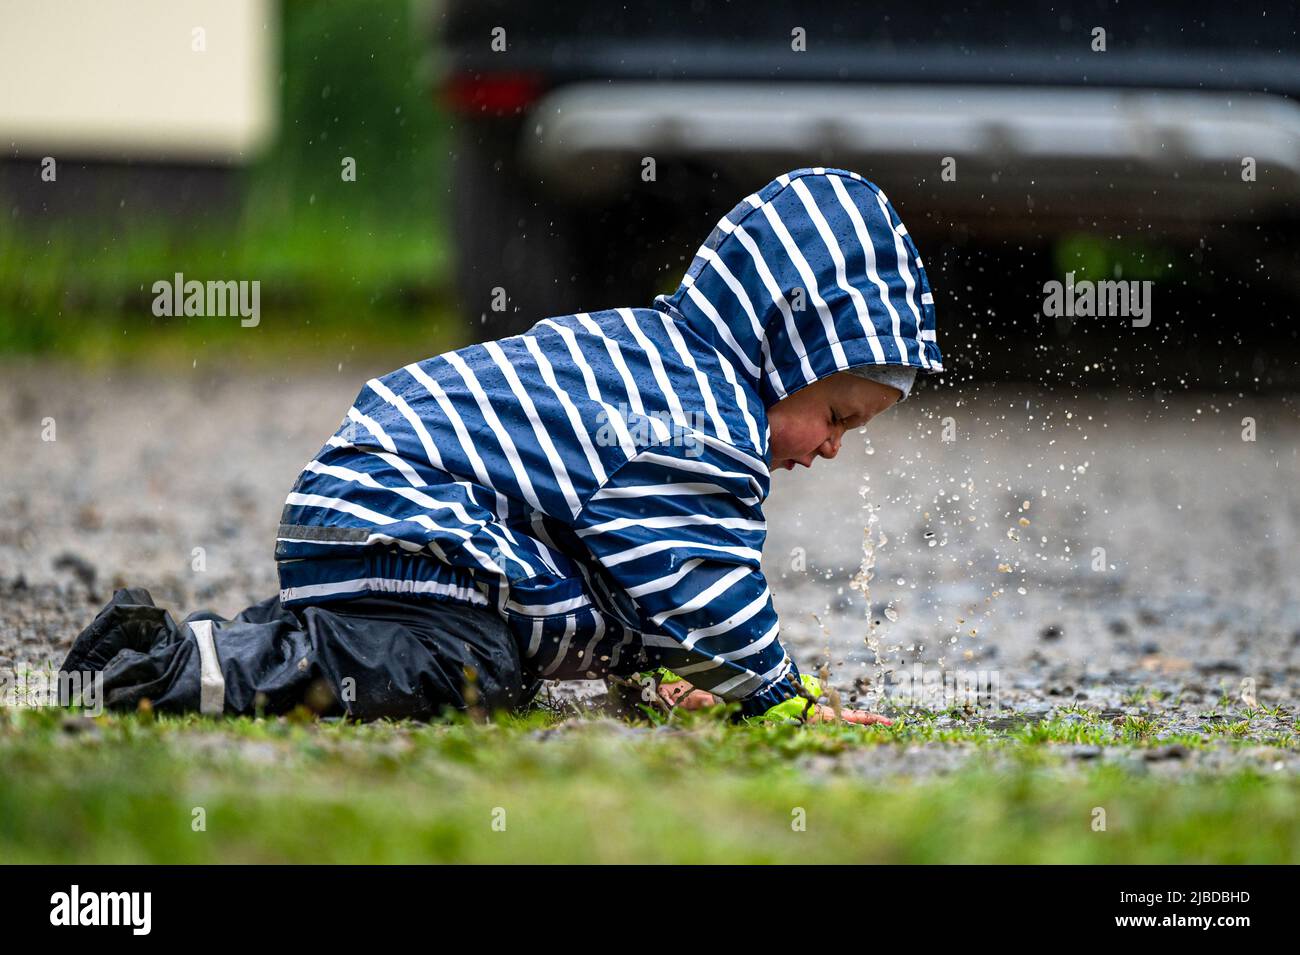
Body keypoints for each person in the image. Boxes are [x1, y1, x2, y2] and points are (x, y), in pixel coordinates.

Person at [61, 167, 943, 725]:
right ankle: (174, 670)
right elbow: (697, 587)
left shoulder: (662, 363)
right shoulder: (704, 421)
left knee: (441, 642)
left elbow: (617, 565)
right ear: (786, 344)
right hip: (408, 522)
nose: (831, 448)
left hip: (385, 521)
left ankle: (223, 642)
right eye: (837, 415)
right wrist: (780, 700)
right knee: (476, 667)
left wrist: (668, 677)